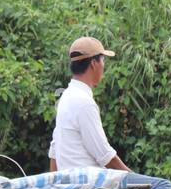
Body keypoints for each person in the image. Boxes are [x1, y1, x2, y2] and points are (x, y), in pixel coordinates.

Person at [48, 36, 132, 173]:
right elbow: (105, 155)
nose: (103, 66)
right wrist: (134, 178)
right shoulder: (84, 103)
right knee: (162, 185)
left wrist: (54, 182)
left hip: (72, 182)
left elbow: (54, 148)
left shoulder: (66, 96)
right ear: (94, 63)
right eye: (103, 60)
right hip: (88, 185)